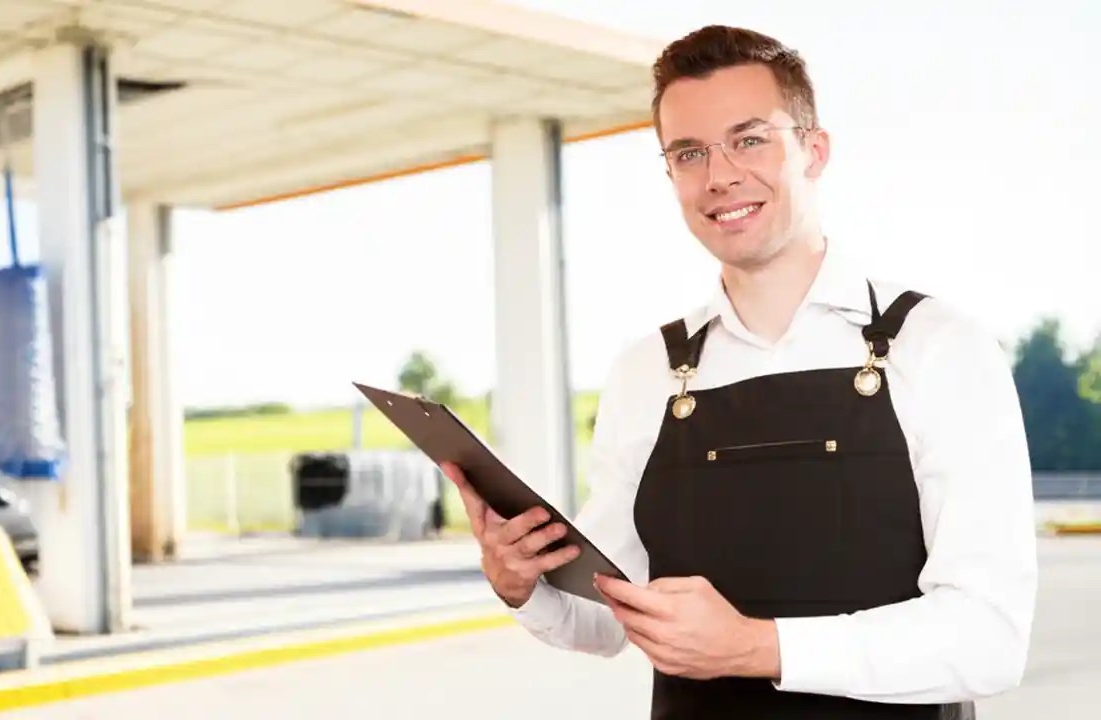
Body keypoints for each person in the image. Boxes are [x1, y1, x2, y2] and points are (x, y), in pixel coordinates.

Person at [441, 24, 1037, 720]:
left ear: (813, 151)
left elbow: (988, 639)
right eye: (689, 152)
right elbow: (606, 621)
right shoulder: (647, 373)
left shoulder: (939, 348)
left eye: (749, 139)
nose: (719, 175)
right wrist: (524, 584)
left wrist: (757, 647)